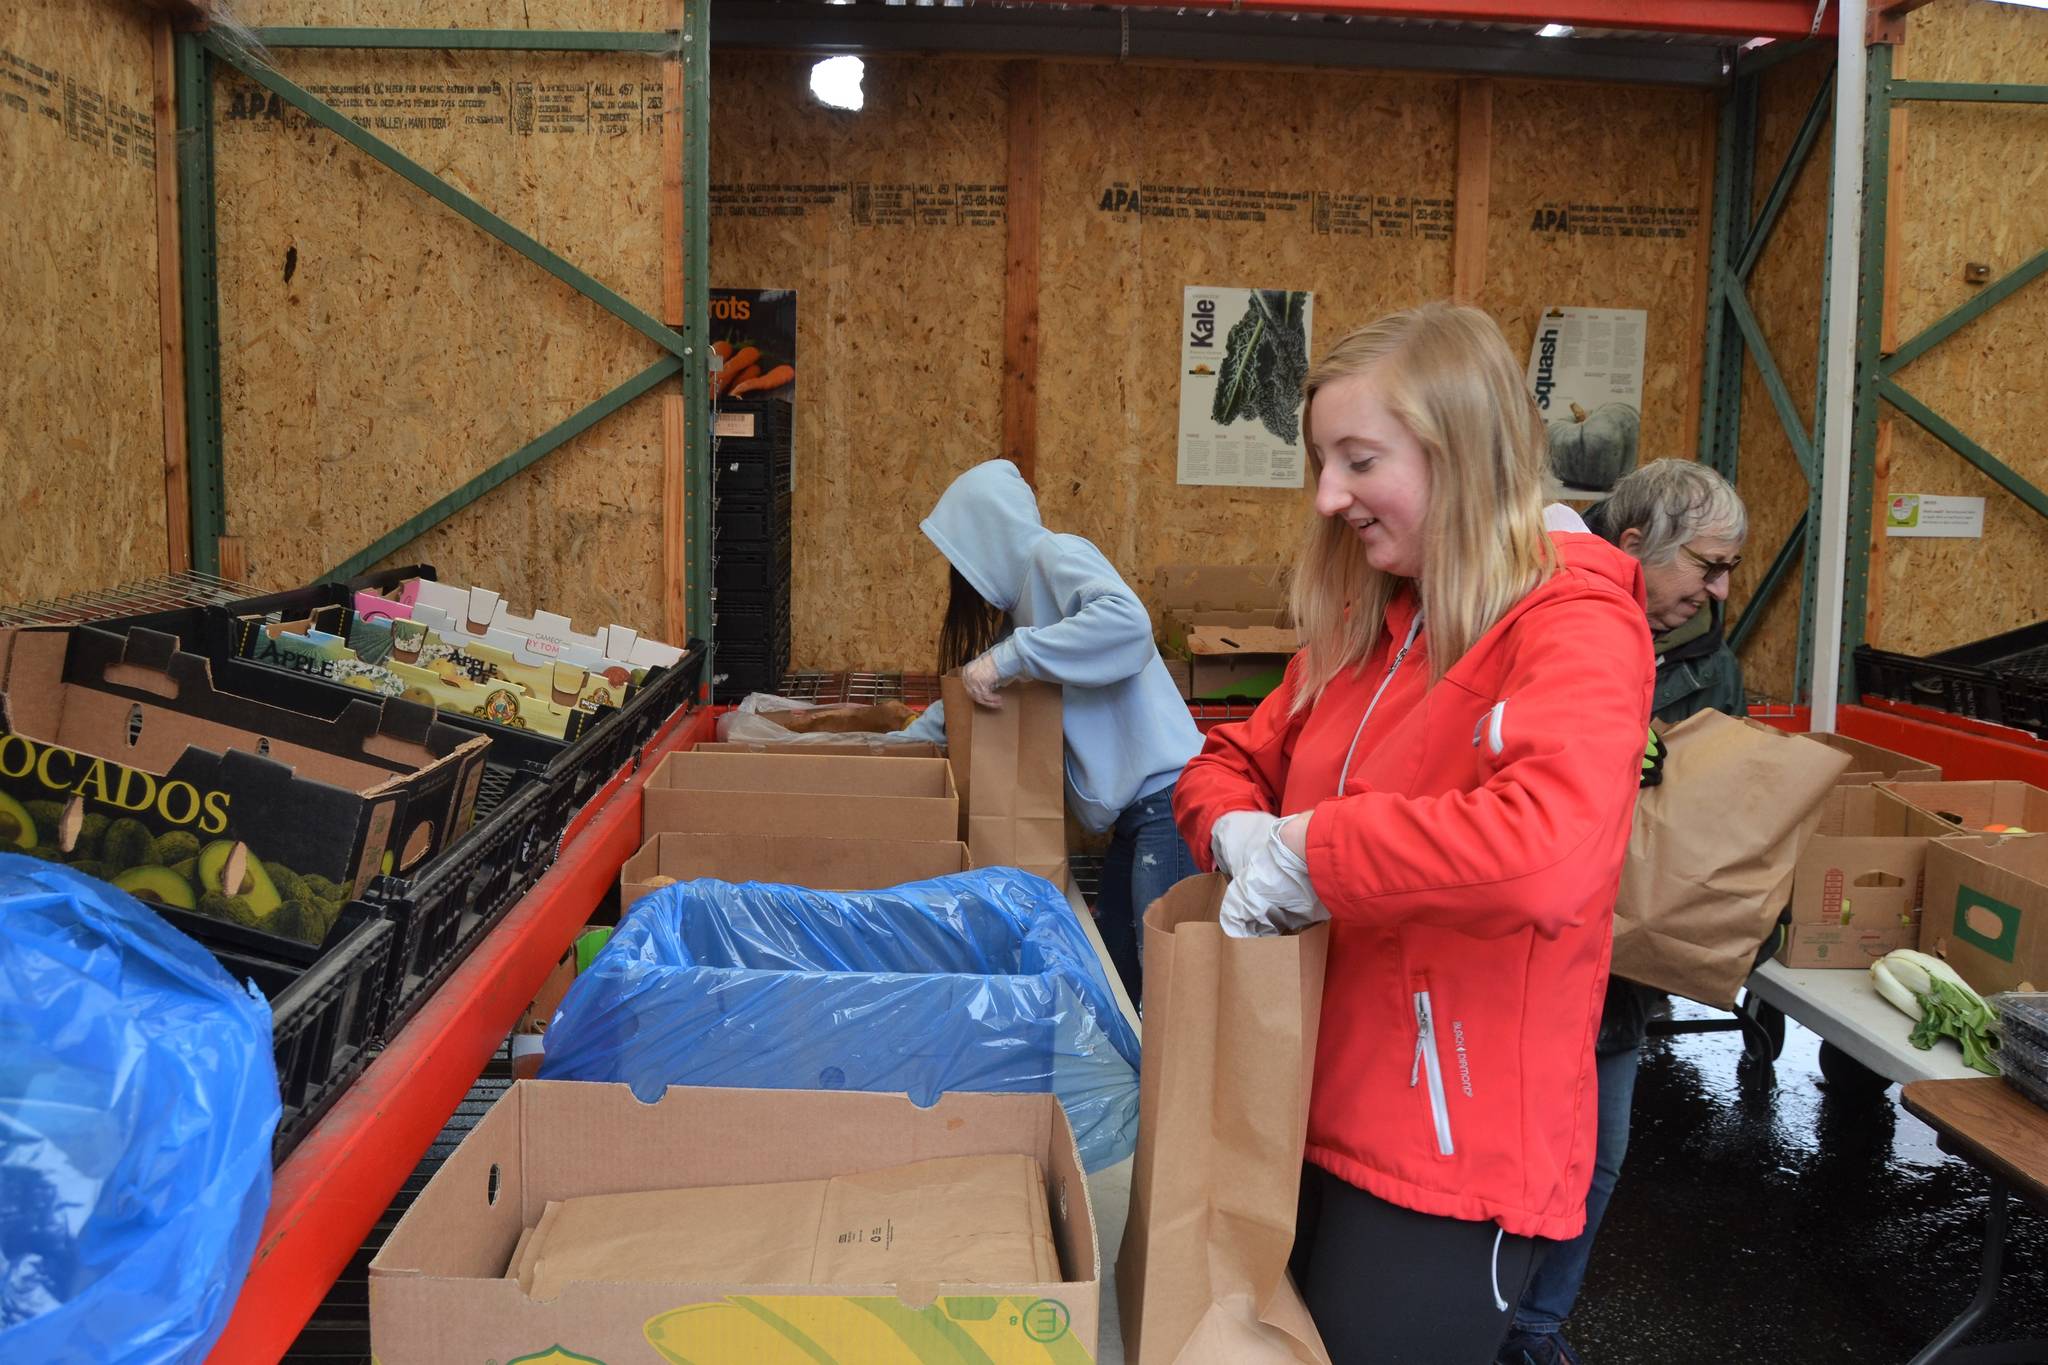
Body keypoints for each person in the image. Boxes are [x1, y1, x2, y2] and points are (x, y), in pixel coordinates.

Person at [1172, 303, 1655, 1364]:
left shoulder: (1571, 625)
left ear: (1463, 449)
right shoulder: (1370, 628)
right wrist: (1238, 833)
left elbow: (1544, 852)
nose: (1326, 496)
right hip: (1296, 1095)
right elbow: (1223, 761)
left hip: (1446, 1148)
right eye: (1321, 463)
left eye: (1358, 461)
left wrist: (1312, 853)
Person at [1500, 458, 1750, 1365]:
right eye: (1707, 568)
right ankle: (1471, 1318)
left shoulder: (1709, 664)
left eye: (1728, 572)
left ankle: (1537, 1325)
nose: (1718, 592)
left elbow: (1727, 814)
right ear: (1635, 542)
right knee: (1502, 1153)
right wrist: (1586, 746)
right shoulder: (1524, 604)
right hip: (1517, 953)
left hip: (1621, 966)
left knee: (1596, 1158)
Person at [900, 458, 1203, 1007]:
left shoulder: (1055, 555)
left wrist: (1011, 656)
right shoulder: (1017, 620)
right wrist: (893, 747)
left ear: (988, 534)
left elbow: (1128, 624)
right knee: (1117, 974)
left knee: (1163, 990)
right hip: (1135, 817)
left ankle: (1167, 1068)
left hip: (1170, 803)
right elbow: (967, 702)